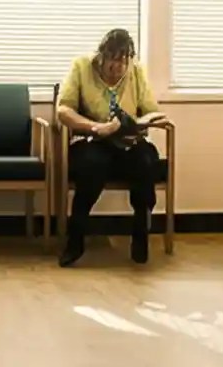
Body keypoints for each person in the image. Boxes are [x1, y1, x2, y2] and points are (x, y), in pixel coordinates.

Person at [56, 28, 162, 267]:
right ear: (101, 57)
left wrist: (136, 124)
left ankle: (141, 232)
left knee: (146, 161)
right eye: (113, 62)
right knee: (93, 165)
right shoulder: (81, 67)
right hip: (92, 140)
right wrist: (96, 127)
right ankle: (75, 239)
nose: (118, 69)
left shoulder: (136, 72)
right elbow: (64, 110)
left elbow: (152, 111)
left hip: (126, 142)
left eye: (124, 62)